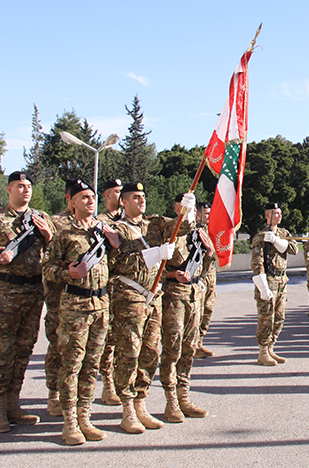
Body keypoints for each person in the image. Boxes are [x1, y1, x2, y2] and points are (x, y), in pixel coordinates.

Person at [0, 171, 55, 433]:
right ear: (9, 190)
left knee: (24, 349)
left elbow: (56, 254)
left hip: (34, 293)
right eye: (20, 186)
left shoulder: (41, 219)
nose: (25, 190)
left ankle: (13, 403)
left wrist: (49, 237)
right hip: (5, 292)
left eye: (28, 186)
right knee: (1, 350)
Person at [108, 182, 194, 434]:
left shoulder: (154, 223)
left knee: (149, 353)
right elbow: (118, 262)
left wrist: (187, 209)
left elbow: (182, 228)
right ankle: (127, 409)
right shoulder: (117, 228)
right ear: (123, 201)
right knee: (129, 353)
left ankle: (140, 402)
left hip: (154, 297)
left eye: (143, 196)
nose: (141, 200)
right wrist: (155, 254)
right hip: (129, 296)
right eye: (135, 197)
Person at [44, 179, 120, 445]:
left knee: (91, 366)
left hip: (101, 306)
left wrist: (116, 243)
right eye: (84, 197)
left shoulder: (103, 233)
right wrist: (68, 272)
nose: (90, 201)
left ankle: (85, 418)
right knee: (72, 365)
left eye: (93, 197)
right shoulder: (64, 234)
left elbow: (120, 265)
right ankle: (69, 423)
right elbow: (47, 269)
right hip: (75, 307)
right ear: (72, 202)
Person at [158, 195, 211, 422]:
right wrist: (172, 274)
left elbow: (205, 267)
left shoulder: (196, 234)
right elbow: (151, 268)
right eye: (185, 208)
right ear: (176, 207)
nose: (190, 212)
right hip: (173, 296)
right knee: (172, 349)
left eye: (192, 208)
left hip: (194, 295)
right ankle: (171, 401)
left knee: (189, 349)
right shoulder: (166, 230)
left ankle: (184, 397)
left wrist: (208, 251)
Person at [44, 180, 77, 417]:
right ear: (69, 198)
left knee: (78, 350)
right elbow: (47, 259)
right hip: (58, 295)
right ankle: (54, 394)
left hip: (84, 299)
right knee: (57, 345)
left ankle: (75, 399)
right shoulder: (55, 223)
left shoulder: (93, 224)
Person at [250, 202, 298, 366]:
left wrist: (278, 241)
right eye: (276, 213)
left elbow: (293, 249)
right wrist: (262, 285)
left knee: (279, 317)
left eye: (280, 213)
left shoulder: (284, 233)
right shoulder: (260, 236)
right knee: (266, 318)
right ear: (267, 216)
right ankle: (263, 351)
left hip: (281, 280)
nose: (279, 215)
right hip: (268, 280)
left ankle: (271, 347)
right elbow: (257, 262)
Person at [97, 178, 123, 406]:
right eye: (116, 192)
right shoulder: (100, 222)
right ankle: (108, 384)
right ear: (106, 195)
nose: (120, 195)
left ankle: (123, 382)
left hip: (132, 291)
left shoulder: (133, 220)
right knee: (110, 339)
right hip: (111, 287)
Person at [194, 201, 218, 359]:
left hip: (211, 276)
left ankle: (199, 342)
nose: (209, 217)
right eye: (206, 213)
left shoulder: (211, 230)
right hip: (198, 276)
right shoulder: (193, 230)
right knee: (197, 313)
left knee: (208, 311)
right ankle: (193, 344)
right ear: (197, 213)